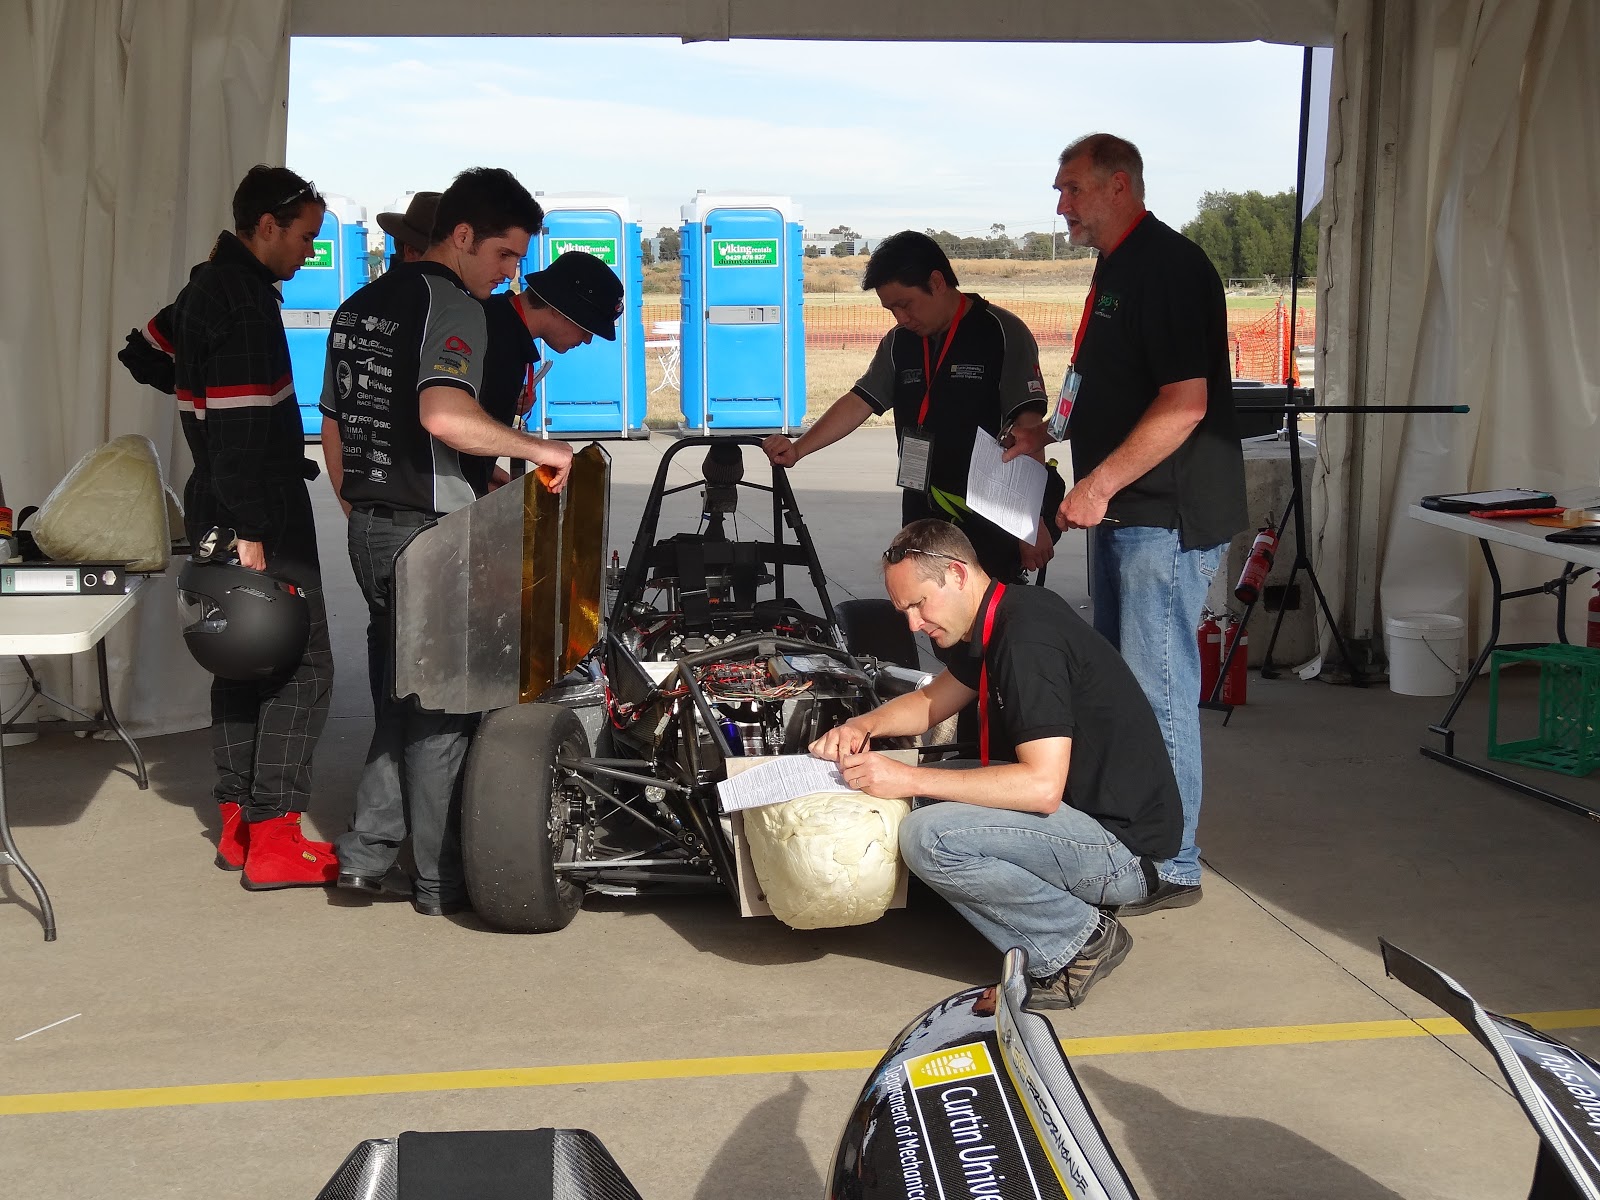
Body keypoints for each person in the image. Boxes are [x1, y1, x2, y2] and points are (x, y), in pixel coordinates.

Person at [318, 167, 590, 917]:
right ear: (463, 236)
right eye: (504, 255)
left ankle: (366, 855)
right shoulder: (454, 305)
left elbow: (334, 422)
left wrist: (357, 505)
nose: (510, 274)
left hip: (372, 527)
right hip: (426, 536)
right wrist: (540, 450)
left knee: (399, 699)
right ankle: (441, 880)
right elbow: (443, 415)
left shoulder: (357, 308)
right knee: (445, 711)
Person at [1007, 133, 1247, 913]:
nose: (1061, 205)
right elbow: (1099, 378)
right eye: (1060, 190)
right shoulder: (1116, 265)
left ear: (1119, 185)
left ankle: (1172, 862)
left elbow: (1185, 404)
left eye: (1072, 189)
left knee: (1158, 689)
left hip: (1163, 515)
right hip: (1123, 512)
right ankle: (1133, 836)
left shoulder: (1169, 267)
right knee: (1124, 687)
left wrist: (1099, 483)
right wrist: (1050, 433)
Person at [809, 520, 1181, 1009]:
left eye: (919, 604)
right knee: (917, 798)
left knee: (929, 835)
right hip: (1081, 819)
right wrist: (862, 726)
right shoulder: (1002, 612)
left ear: (957, 574)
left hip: (1121, 850)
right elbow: (932, 702)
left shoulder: (1027, 641)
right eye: (904, 611)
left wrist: (905, 776)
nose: (913, 625)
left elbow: (1041, 787)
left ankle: (1078, 941)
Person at [117, 165, 339, 889]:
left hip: (213, 500)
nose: (311, 251)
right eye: (305, 236)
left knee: (243, 659)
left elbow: (144, 352)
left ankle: (239, 826)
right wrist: (252, 530)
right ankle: (277, 837)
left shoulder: (205, 286)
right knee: (302, 664)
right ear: (266, 226)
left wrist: (196, 392)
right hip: (256, 510)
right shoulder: (242, 299)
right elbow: (241, 432)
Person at [762, 231, 1064, 584]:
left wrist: (1030, 523)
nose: (900, 318)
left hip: (992, 512)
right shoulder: (899, 342)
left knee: (987, 611)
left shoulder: (1001, 332)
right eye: (891, 309)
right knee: (927, 604)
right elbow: (860, 400)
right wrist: (798, 449)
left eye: (905, 304)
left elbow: (1028, 424)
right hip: (922, 507)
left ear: (936, 282)